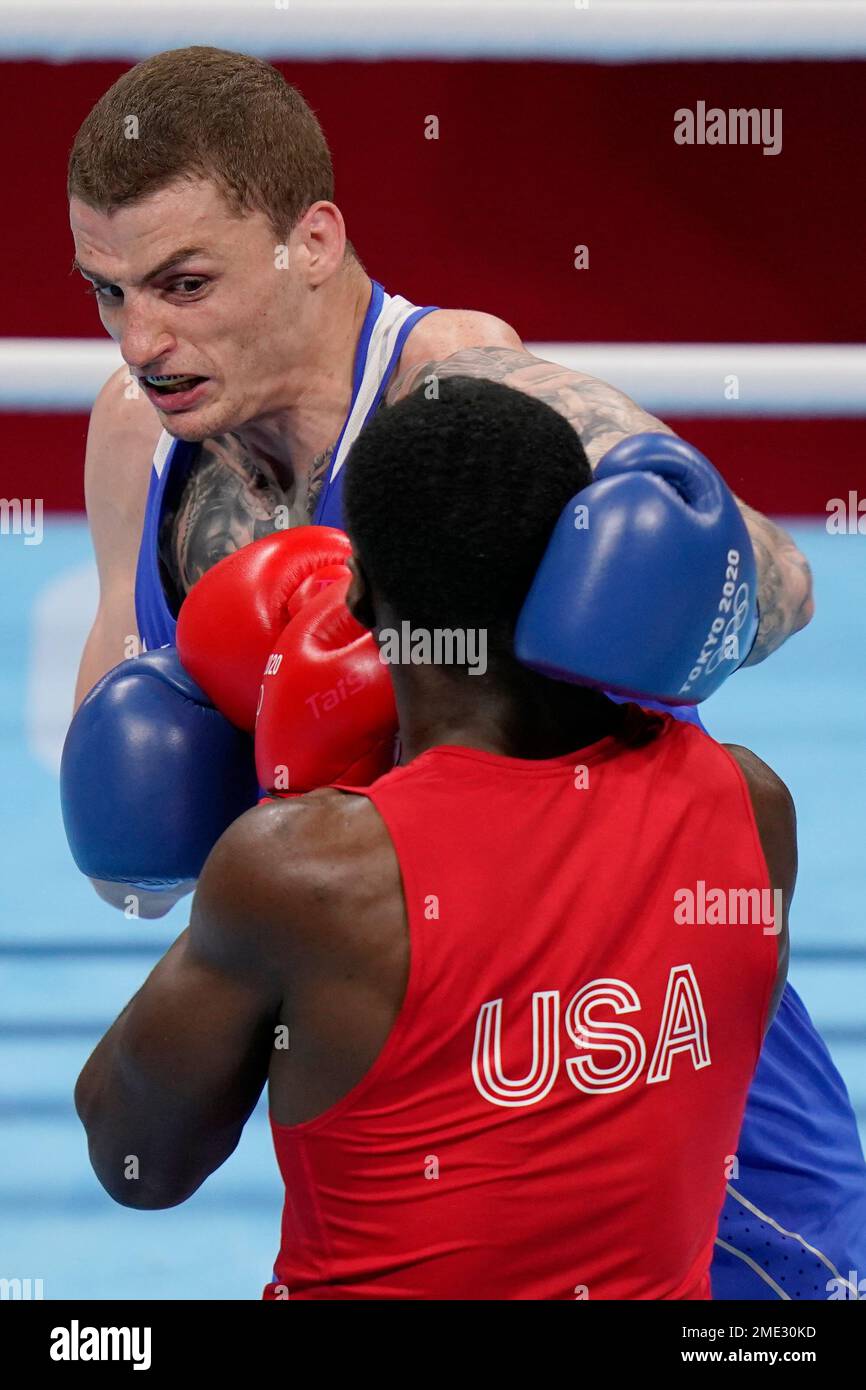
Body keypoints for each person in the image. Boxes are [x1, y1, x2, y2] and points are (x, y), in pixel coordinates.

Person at [63, 47, 864, 1301]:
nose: (143, 340)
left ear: (312, 241)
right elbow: (132, 864)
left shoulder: (466, 393)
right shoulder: (138, 440)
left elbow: (773, 583)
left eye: (182, 284)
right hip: (420, 1111)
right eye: (106, 293)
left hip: (646, 1079)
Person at [75, 378, 790, 1300]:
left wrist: (253, 823)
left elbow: (134, 1160)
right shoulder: (752, 806)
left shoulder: (306, 874)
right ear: (578, 566)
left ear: (360, 595)